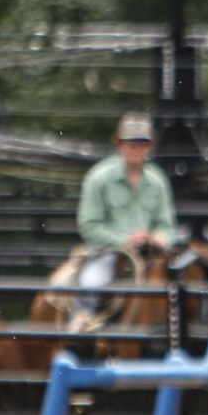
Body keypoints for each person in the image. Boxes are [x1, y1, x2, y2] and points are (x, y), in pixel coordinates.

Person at [73, 113, 178, 321]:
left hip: (151, 256)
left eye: (142, 143)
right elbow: (88, 225)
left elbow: (166, 225)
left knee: (181, 290)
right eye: (131, 143)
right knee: (91, 285)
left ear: (150, 145)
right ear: (119, 144)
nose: (136, 148)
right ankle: (83, 334)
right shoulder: (99, 177)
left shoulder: (157, 181)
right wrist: (126, 240)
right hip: (108, 254)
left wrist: (159, 237)